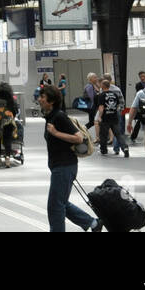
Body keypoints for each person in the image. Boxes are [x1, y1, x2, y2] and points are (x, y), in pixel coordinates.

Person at [38, 84, 101, 232]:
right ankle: (93, 224)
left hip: (64, 167)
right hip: (60, 167)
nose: (39, 99)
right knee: (61, 203)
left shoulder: (59, 116)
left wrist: (56, 133)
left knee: (55, 206)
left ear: (51, 101)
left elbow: (78, 138)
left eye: (42, 97)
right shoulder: (50, 116)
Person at [94, 77, 129, 158]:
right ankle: (125, 148)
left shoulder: (102, 95)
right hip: (114, 117)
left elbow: (101, 107)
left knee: (103, 134)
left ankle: (104, 150)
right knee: (118, 134)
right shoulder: (114, 94)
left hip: (105, 118)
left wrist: (99, 117)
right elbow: (117, 106)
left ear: (102, 86)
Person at [0, 83, 20, 165]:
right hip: (7, 120)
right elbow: (15, 110)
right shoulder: (10, 98)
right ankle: (7, 159)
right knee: (7, 139)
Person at [128, 71, 145, 143]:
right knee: (139, 121)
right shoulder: (138, 85)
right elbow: (139, 95)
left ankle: (134, 136)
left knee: (142, 121)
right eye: (141, 76)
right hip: (141, 104)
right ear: (139, 77)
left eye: (143, 76)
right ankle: (133, 136)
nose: (142, 78)